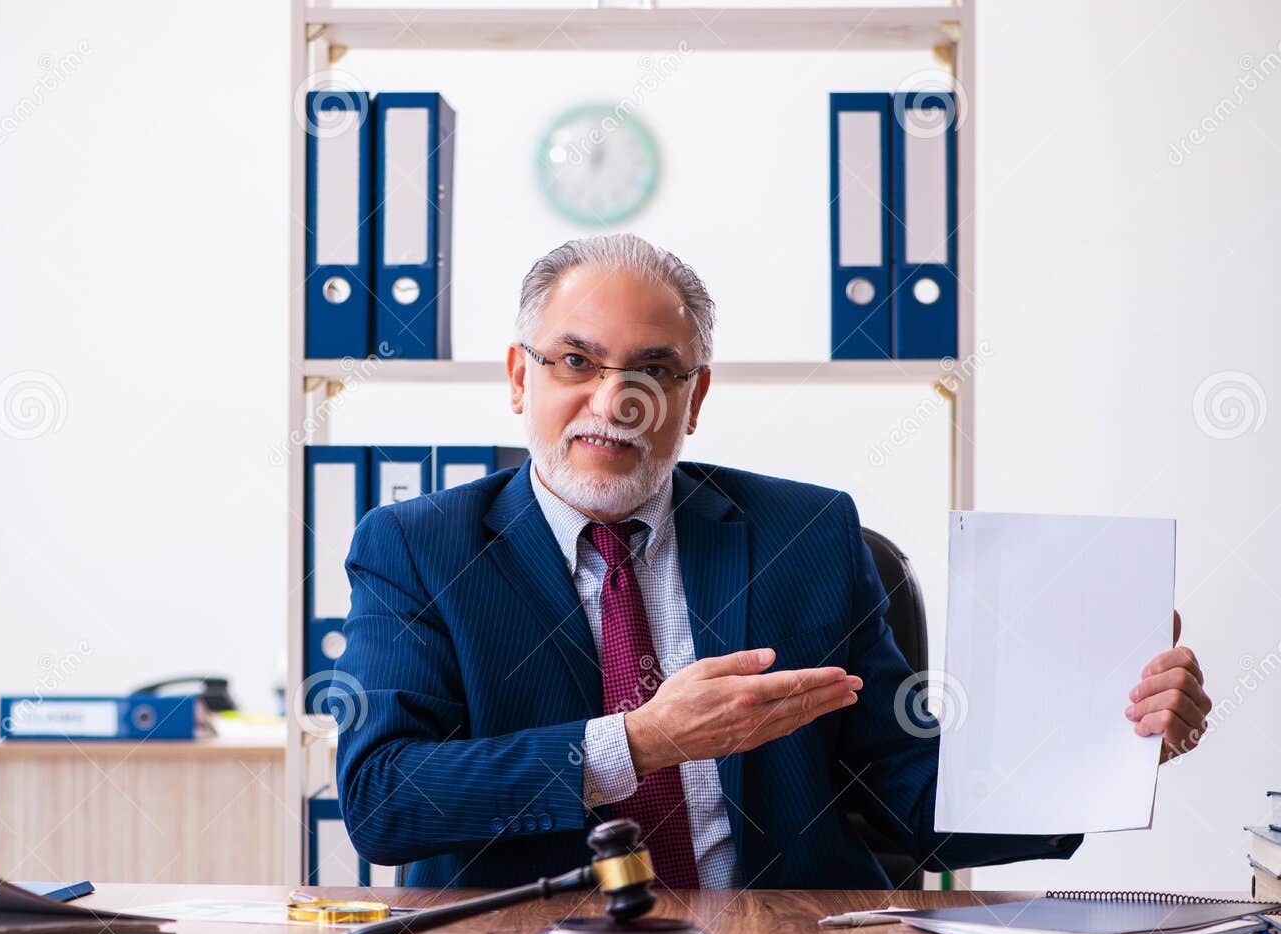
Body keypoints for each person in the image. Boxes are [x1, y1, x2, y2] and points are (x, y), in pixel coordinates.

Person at [333, 234, 1211, 890]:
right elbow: (382, 799)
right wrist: (642, 741)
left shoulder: (809, 534)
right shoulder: (416, 546)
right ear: (520, 378)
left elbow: (908, 796)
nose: (617, 401)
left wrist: (1107, 747)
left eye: (655, 370)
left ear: (695, 398)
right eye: (576, 362)